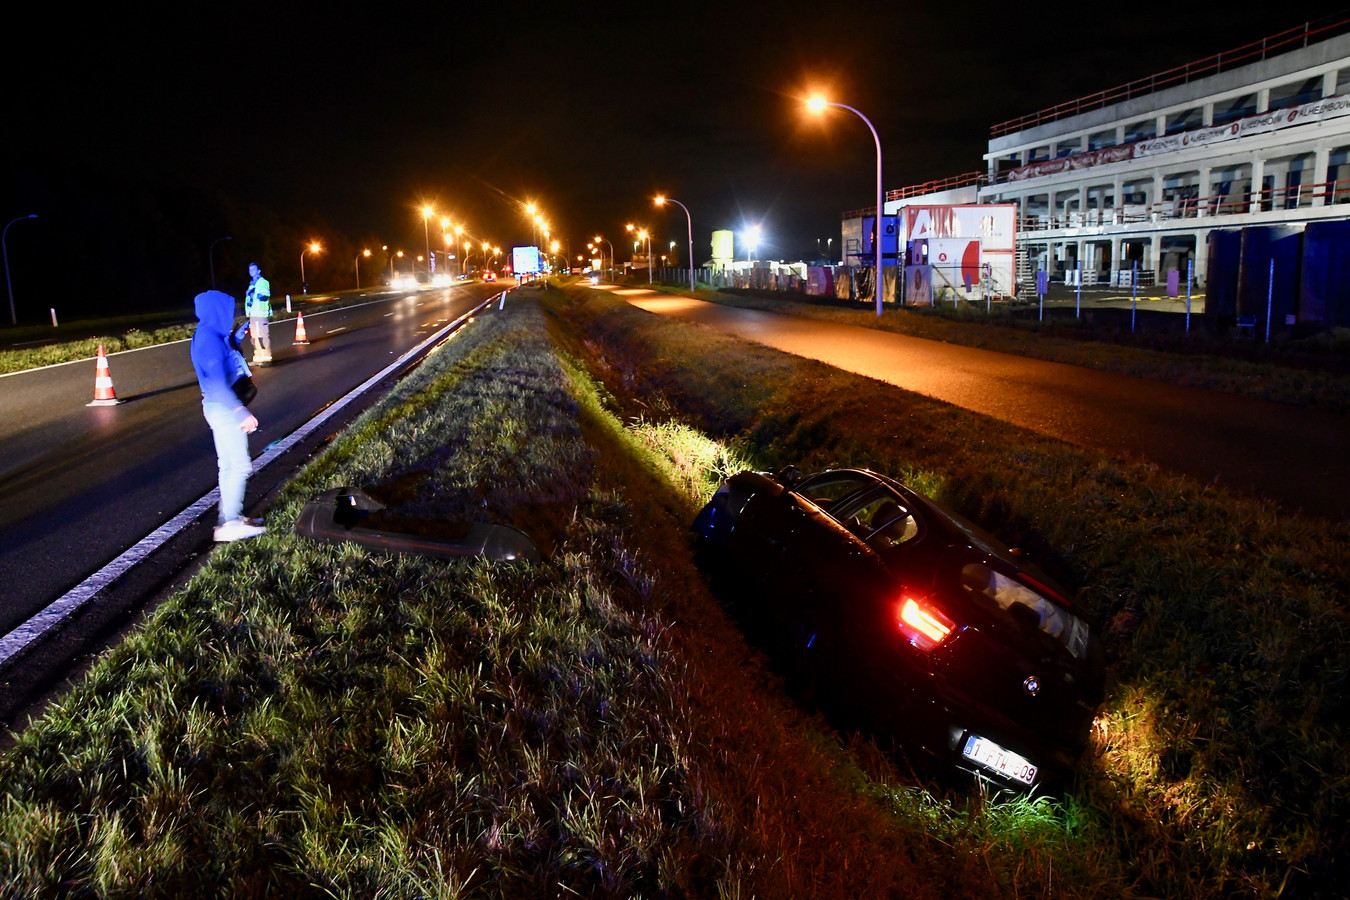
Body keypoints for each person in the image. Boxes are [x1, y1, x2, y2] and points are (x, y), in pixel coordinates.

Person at [192, 289, 266, 542]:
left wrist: (235, 337)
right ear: (216, 311)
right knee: (239, 466)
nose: (230, 314)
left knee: (229, 466)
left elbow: (223, 357)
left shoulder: (212, 335)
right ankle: (231, 523)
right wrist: (239, 410)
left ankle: (229, 519)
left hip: (218, 406)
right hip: (223, 407)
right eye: (226, 310)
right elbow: (216, 382)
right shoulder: (208, 340)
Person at [244, 261, 272, 364]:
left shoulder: (263, 282)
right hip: (253, 314)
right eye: (250, 270)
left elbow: (265, 296)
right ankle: (258, 356)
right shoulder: (252, 284)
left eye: (253, 269)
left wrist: (253, 295)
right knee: (254, 337)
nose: (251, 271)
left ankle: (267, 357)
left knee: (262, 336)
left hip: (261, 313)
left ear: (259, 271)